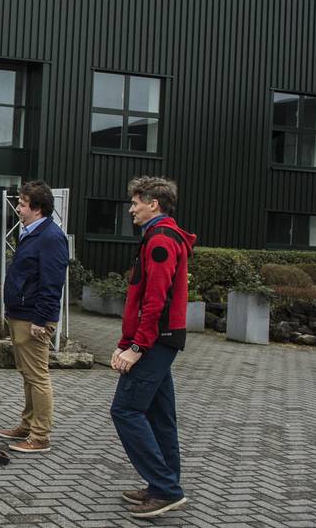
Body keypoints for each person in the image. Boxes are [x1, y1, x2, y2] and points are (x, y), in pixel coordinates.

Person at [110, 176, 196, 520]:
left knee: (125, 411)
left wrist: (135, 347)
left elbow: (155, 300)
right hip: (163, 339)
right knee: (160, 417)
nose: (131, 209)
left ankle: (166, 488)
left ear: (153, 204)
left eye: (135, 202)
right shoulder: (161, 236)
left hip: (156, 340)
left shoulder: (160, 239)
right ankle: (164, 485)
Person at [0, 180, 69, 454]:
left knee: (37, 376)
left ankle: (40, 437)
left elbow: (53, 283)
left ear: (37, 209)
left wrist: (41, 319)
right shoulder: (32, 233)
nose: (18, 208)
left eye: (23, 204)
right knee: (27, 374)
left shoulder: (51, 237)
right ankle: (27, 425)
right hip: (21, 315)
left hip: (33, 319)